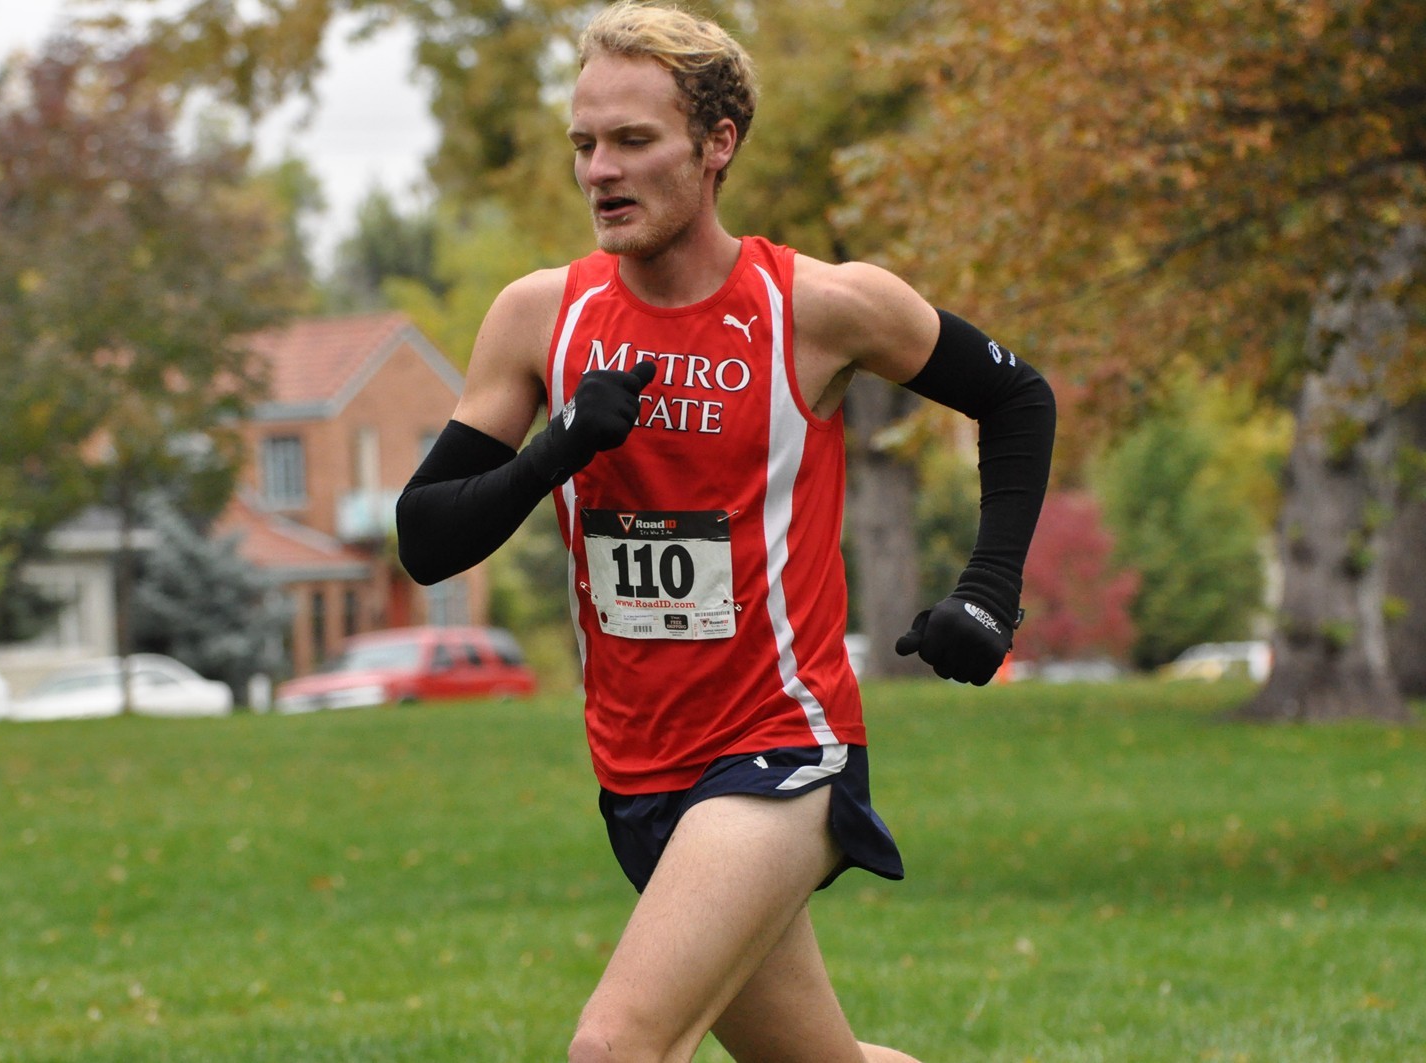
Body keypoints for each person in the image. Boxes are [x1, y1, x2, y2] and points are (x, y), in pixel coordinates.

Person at [395, 2, 1055, 1059]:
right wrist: (560, 445)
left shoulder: (818, 306)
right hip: (636, 768)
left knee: (613, 1045)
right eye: (584, 144)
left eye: (633, 140)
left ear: (716, 144)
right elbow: (425, 539)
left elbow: (1018, 399)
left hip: (779, 746)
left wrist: (987, 590)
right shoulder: (539, 318)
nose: (601, 170)